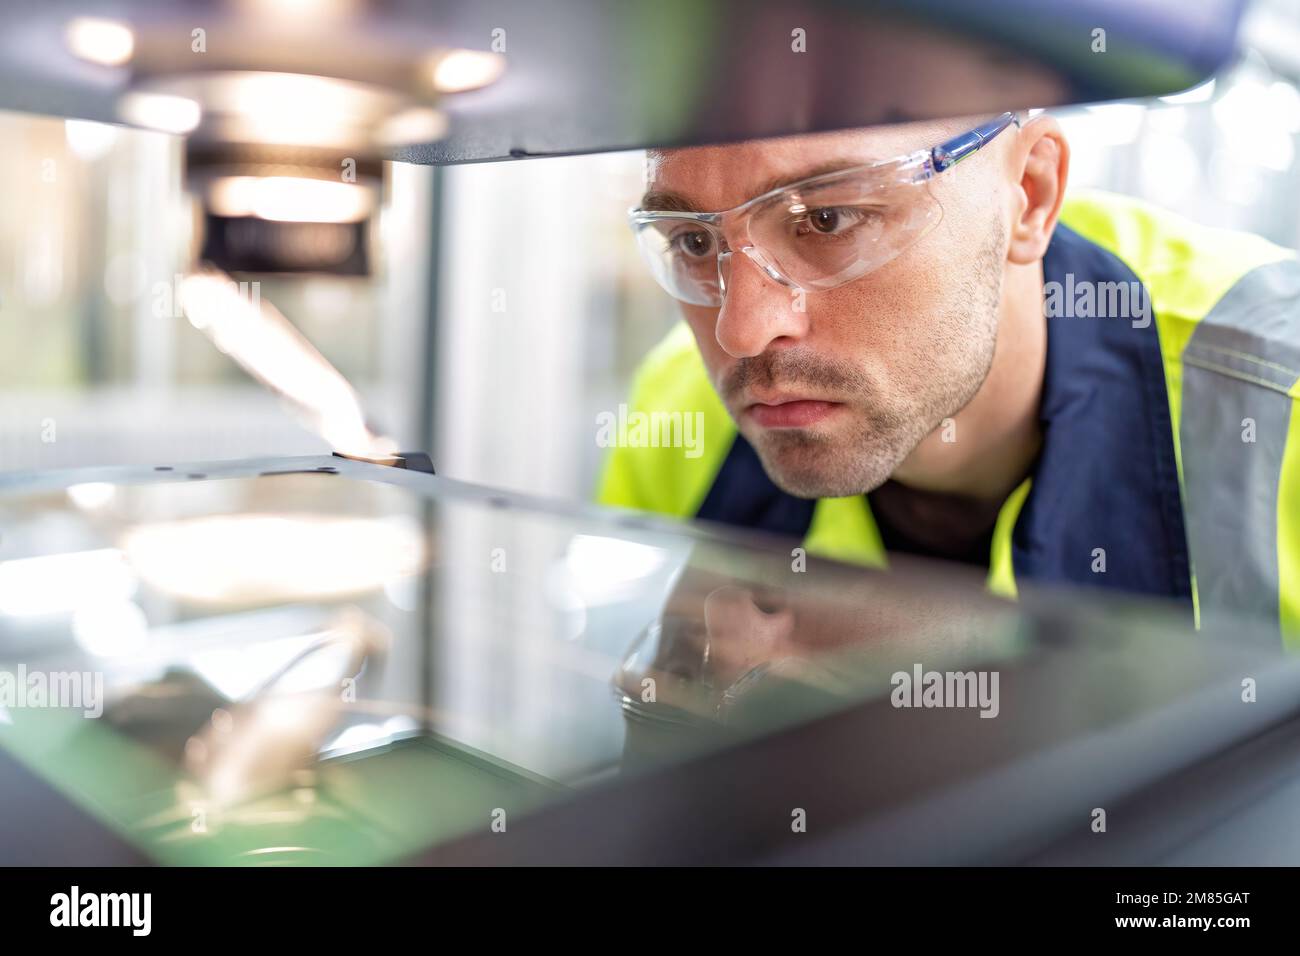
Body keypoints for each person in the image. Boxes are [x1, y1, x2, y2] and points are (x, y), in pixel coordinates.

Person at [597, 111, 1300, 643]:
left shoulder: (1277, 408)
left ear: (1029, 193)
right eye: (693, 240)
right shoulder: (677, 411)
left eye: (828, 219)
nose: (741, 332)